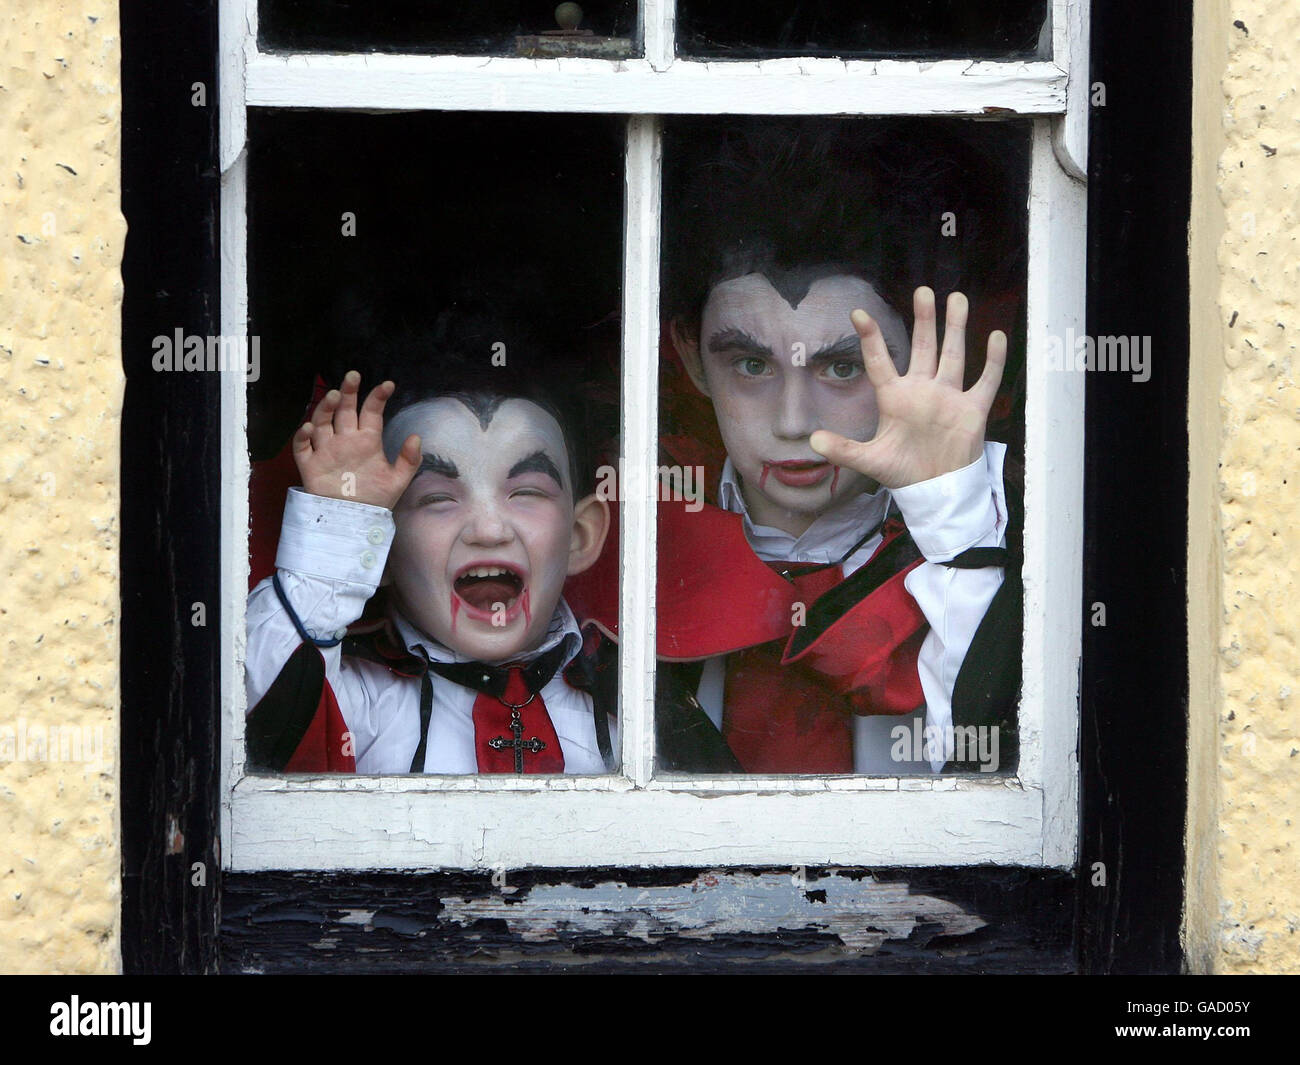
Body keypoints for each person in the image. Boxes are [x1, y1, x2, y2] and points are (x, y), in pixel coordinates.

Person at [572, 125, 1020, 774]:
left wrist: (954, 519)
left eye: (843, 368)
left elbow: (1008, 807)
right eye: (752, 363)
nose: (794, 421)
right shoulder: (615, 547)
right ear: (692, 357)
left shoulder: (1009, 544)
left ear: (920, 361)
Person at [244, 319, 735, 774]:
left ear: (581, 537)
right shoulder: (359, 707)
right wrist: (341, 525)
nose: (488, 529)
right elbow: (255, 705)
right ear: (384, 548)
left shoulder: (637, 724)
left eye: (525, 493)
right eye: (436, 498)